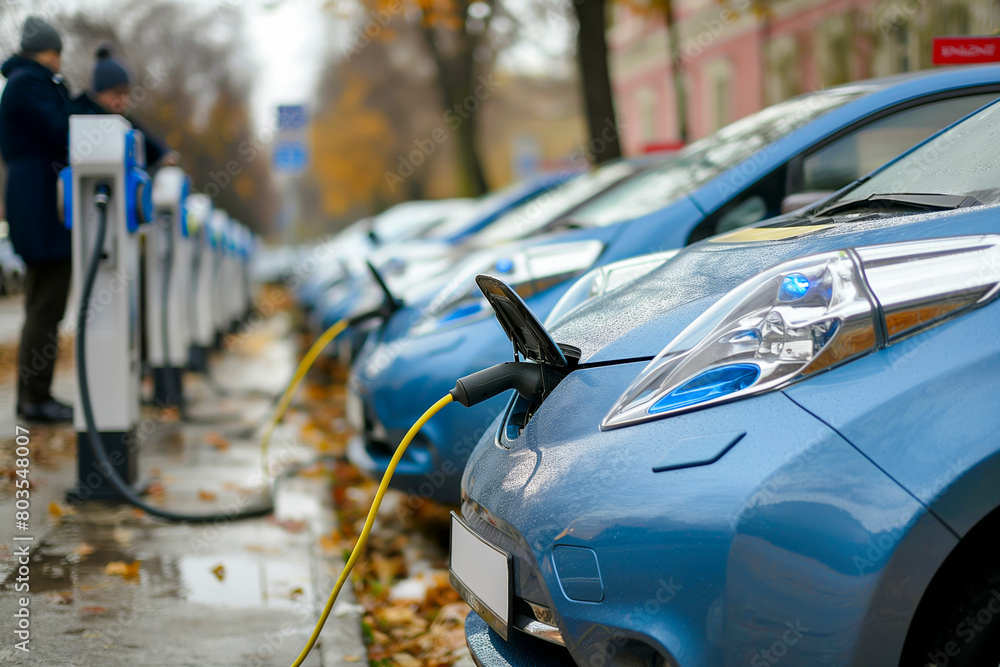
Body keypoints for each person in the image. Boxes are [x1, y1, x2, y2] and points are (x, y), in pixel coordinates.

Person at [0, 16, 75, 422]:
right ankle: (34, 398)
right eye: (57, 55)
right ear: (49, 52)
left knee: (43, 304)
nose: (60, 64)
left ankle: (36, 394)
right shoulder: (29, 84)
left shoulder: (27, 83)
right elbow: (61, 130)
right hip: (40, 206)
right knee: (46, 305)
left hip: (37, 203)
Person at [80, 45, 179, 168]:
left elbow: (148, 142)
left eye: (125, 93)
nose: (123, 100)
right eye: (116, 93)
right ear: (99, 93)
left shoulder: (123, 120)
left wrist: (163, 153)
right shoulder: (81, 116)